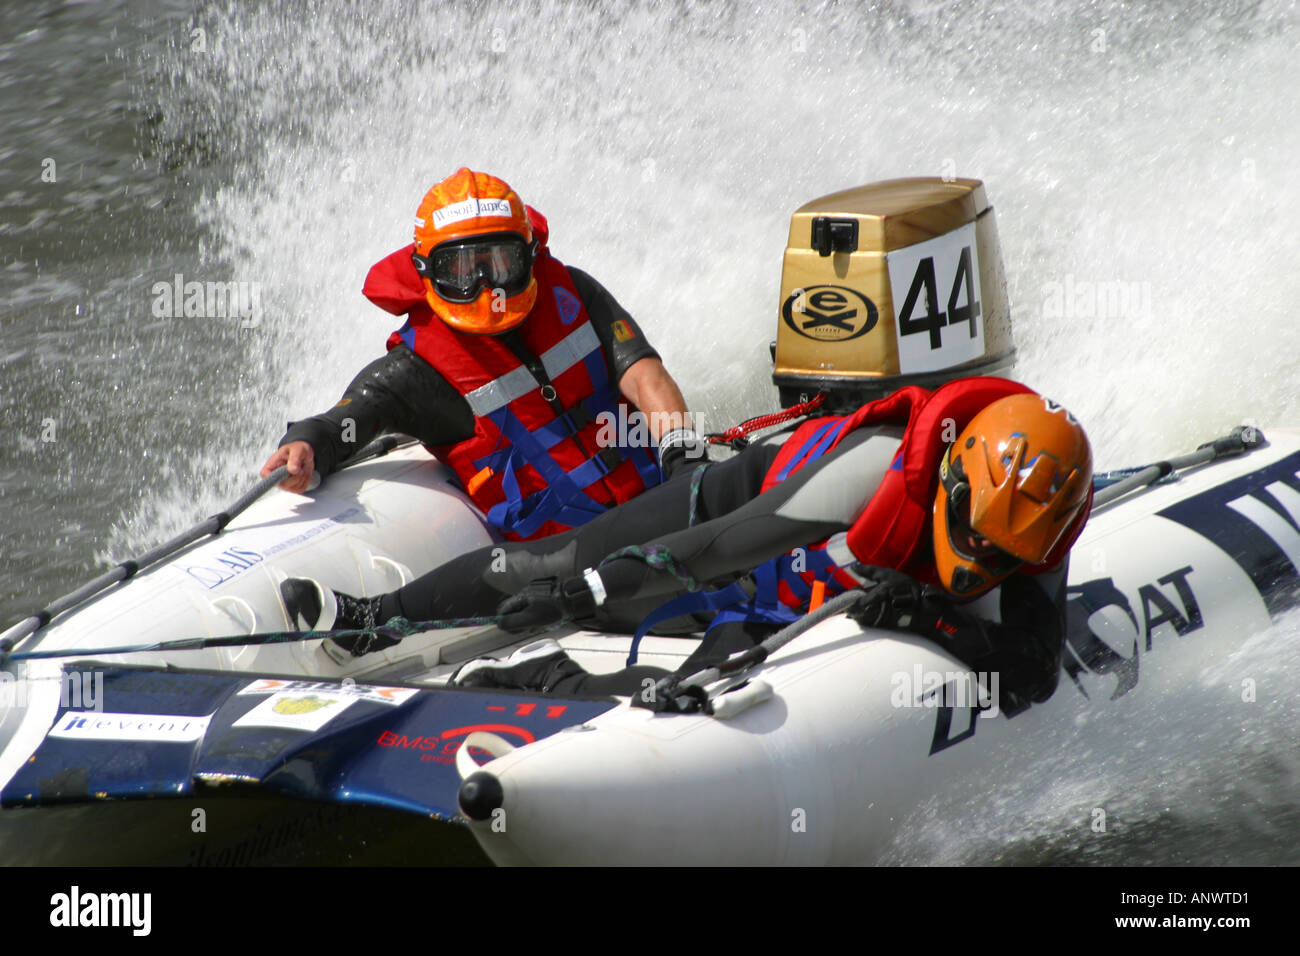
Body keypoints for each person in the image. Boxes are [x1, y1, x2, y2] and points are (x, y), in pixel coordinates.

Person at [282, 377, 1093, 711]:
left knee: (720, 682)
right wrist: (583, 595)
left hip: (811, 602)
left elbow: (1031, 673)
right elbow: (717, 549)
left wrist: (929, 619)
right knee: (563, 561)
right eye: (977, 544)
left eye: (1004, 560)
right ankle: (373, 618)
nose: (986, 564)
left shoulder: (1036, 526)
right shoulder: (882, 468)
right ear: (950, 482)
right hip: (746, 507)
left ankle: (533, 682)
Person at [261, 167, 706, 538]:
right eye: (460, 269)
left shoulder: (572, 290)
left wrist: (685, 459)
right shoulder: (416, 371)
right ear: (425, 272)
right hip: (570, 555)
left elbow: (645, 375)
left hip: (658, 497)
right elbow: (345, 420)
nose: (485, 287)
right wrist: (305, 445)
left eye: (500, 263)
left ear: (529, 256)